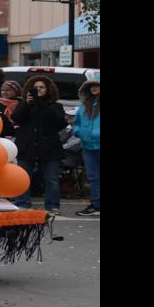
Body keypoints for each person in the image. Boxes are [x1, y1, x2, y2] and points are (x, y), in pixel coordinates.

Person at [6, 75, 69, 215]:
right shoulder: (24, 104)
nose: (38, 90)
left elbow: (60, 123)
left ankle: (52, 205)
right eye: (35, 88)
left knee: (51, 178)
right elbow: (16, 118)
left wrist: (42, 104)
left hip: (49, 147)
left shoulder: (55, 106)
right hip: (27, 145)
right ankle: (22, 202)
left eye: (41, 87)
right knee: (23, 177)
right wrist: (27, 104)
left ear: (48, 90)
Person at [69, 77, 100, 215]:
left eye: (96, 85)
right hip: (88, 146)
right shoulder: (84, 105)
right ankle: (95, 205)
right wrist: (79, 131)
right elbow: (76, 123)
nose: (93, 88)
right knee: (93, 177)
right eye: (91, 86)